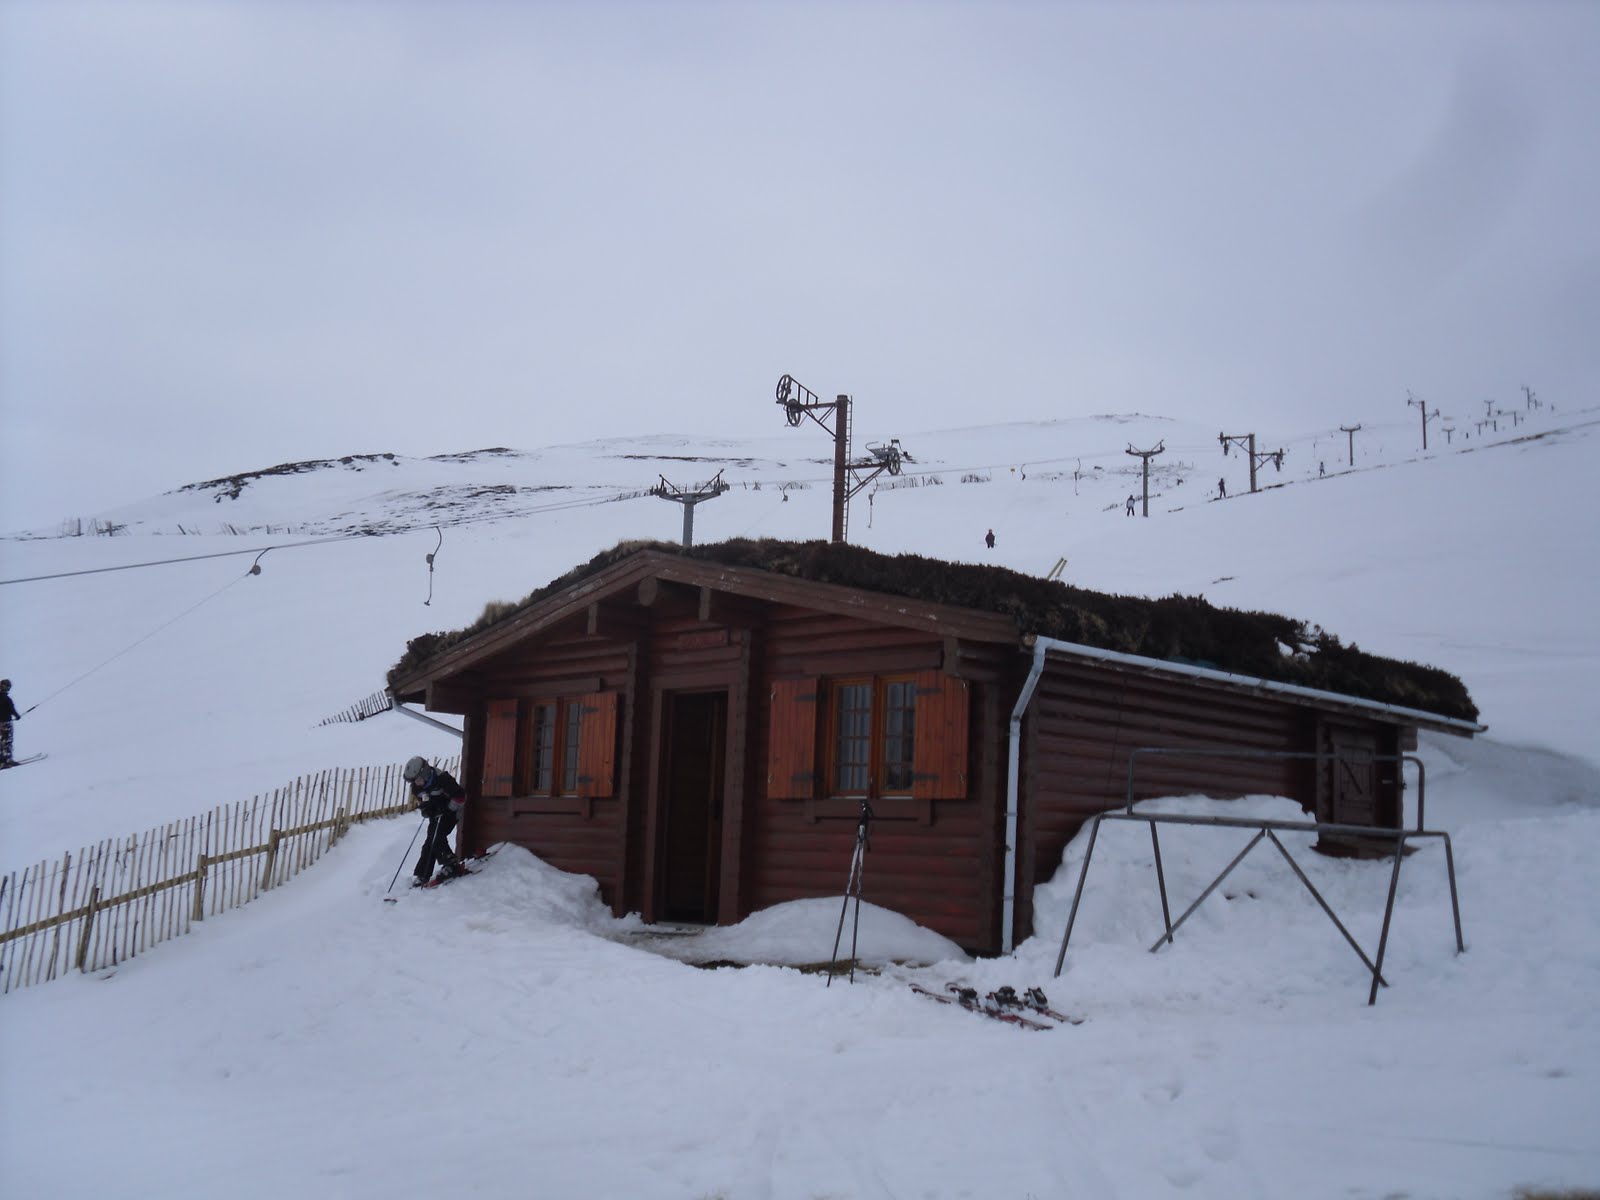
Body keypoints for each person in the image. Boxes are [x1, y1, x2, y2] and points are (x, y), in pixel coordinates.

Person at [404, 755, 467, 885]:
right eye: (413, 781)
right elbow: (424, 800)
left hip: (453, 811)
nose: (416, 783)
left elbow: (460, 796)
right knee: (430, 840)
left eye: (418, 780)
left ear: (425, 773)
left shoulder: (442, 779)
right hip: (436, 814)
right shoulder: (416, 787)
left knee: (437, 838)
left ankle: (451, 865)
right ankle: (423, 874)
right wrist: (426, 809)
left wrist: (448, 809)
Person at [0, 680, 19, 767]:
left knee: (2, 741)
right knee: (7, 741)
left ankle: (1, 760)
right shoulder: (6, 699)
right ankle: (7, 760)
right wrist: (17, 716)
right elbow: (11, 709)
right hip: (6, 723)